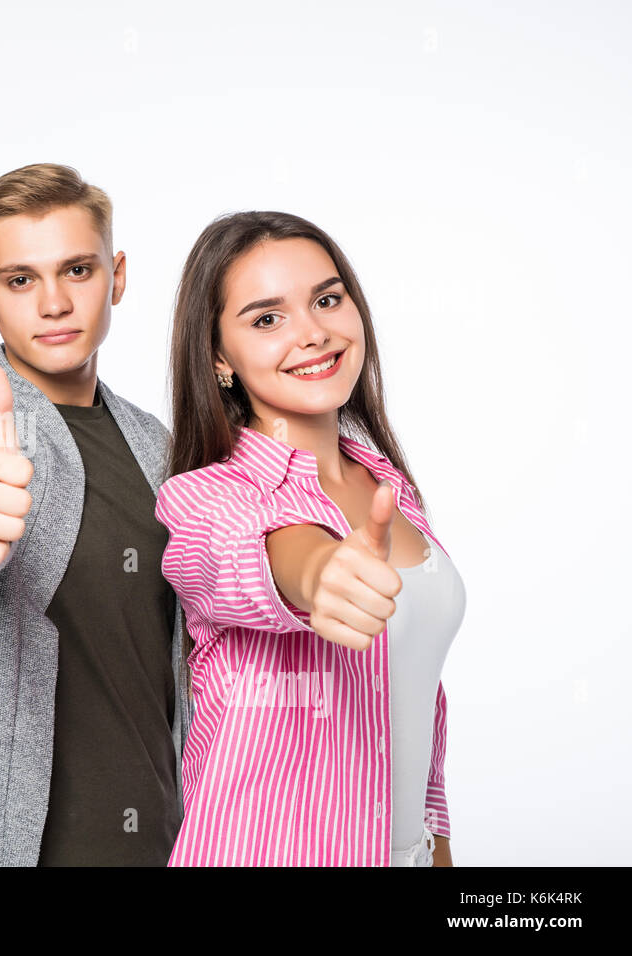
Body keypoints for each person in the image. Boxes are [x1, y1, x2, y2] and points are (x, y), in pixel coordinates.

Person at [0, 163, 192, 866]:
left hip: (162, 840)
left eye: (76, 270)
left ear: (116, 276)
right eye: (20, 280)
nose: (53, 302)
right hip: (10, 851)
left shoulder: (157, 444)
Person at [155, 210, 466, 866]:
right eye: (267, 318)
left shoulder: (390, 488)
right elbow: (246, 553)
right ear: (218, 358)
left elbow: (416, 699)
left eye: (327, 299)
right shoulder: (205, 497)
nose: (314, 332)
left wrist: (436, 848)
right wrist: (318, 571)